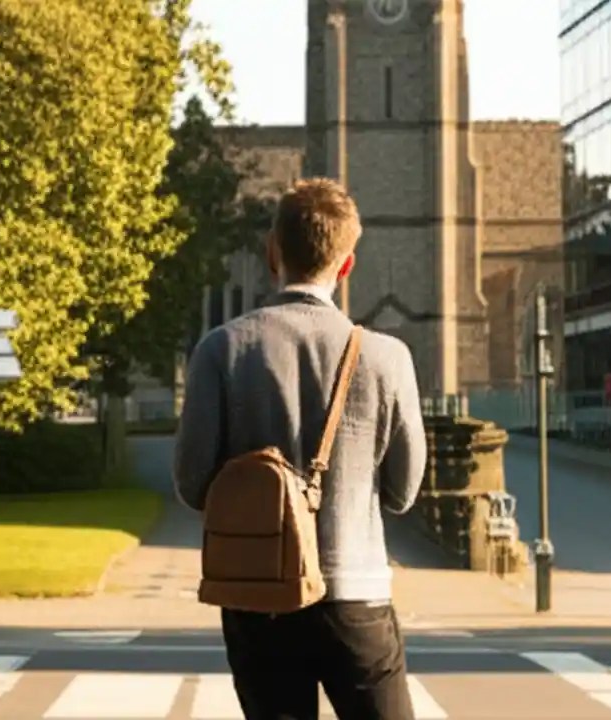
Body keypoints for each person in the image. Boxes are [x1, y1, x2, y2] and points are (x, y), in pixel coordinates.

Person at [173, 177, 427, 720]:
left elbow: (193, 486)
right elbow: (404, 493)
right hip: (355, 590)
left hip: (257, 596)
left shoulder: (220, 350)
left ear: (271, 252)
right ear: (347, 265)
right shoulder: (387, 357)